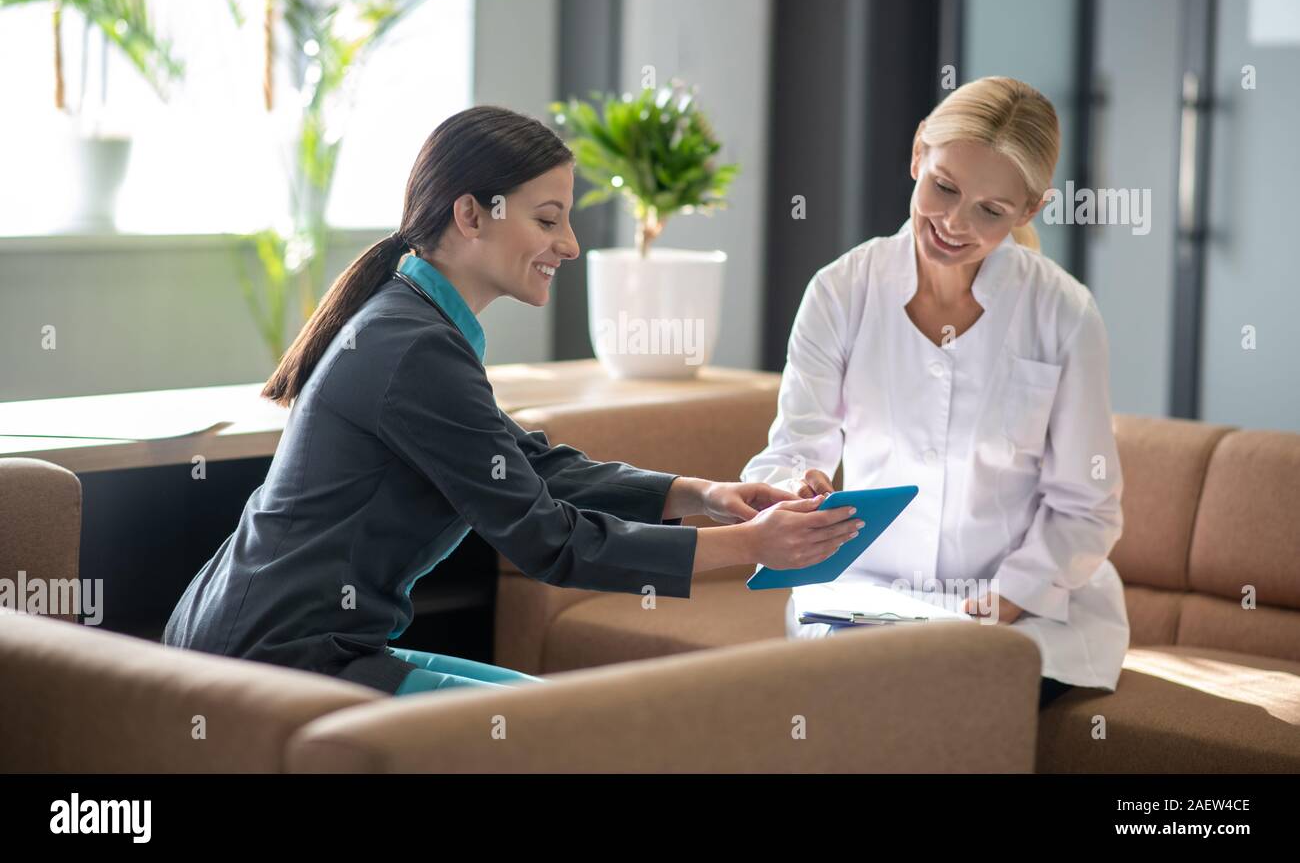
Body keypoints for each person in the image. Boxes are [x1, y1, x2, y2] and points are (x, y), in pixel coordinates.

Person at [164, 105, 862, 696]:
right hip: (276, 663)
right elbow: (548, 542)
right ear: (472, 214)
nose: (572, 244)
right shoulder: (413, 345)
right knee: (552, 737)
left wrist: (704, 494)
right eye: (549, 219)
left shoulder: (413, 323)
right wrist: (748, 546)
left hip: (287, 645)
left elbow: (528, 464)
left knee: (556, 724)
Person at [741, 77, 1128, 710]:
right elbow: (792, 449)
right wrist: (796, 490)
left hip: (1025, 610)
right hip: (865, 597)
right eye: (944, 187)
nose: (953, 222)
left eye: (990, 210)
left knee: (947, 696)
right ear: (919, 154)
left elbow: (1088, 506)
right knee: (870, 695)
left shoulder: (1064, 314)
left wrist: (1002, 602)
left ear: (1029, 209)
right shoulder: (841, 292)